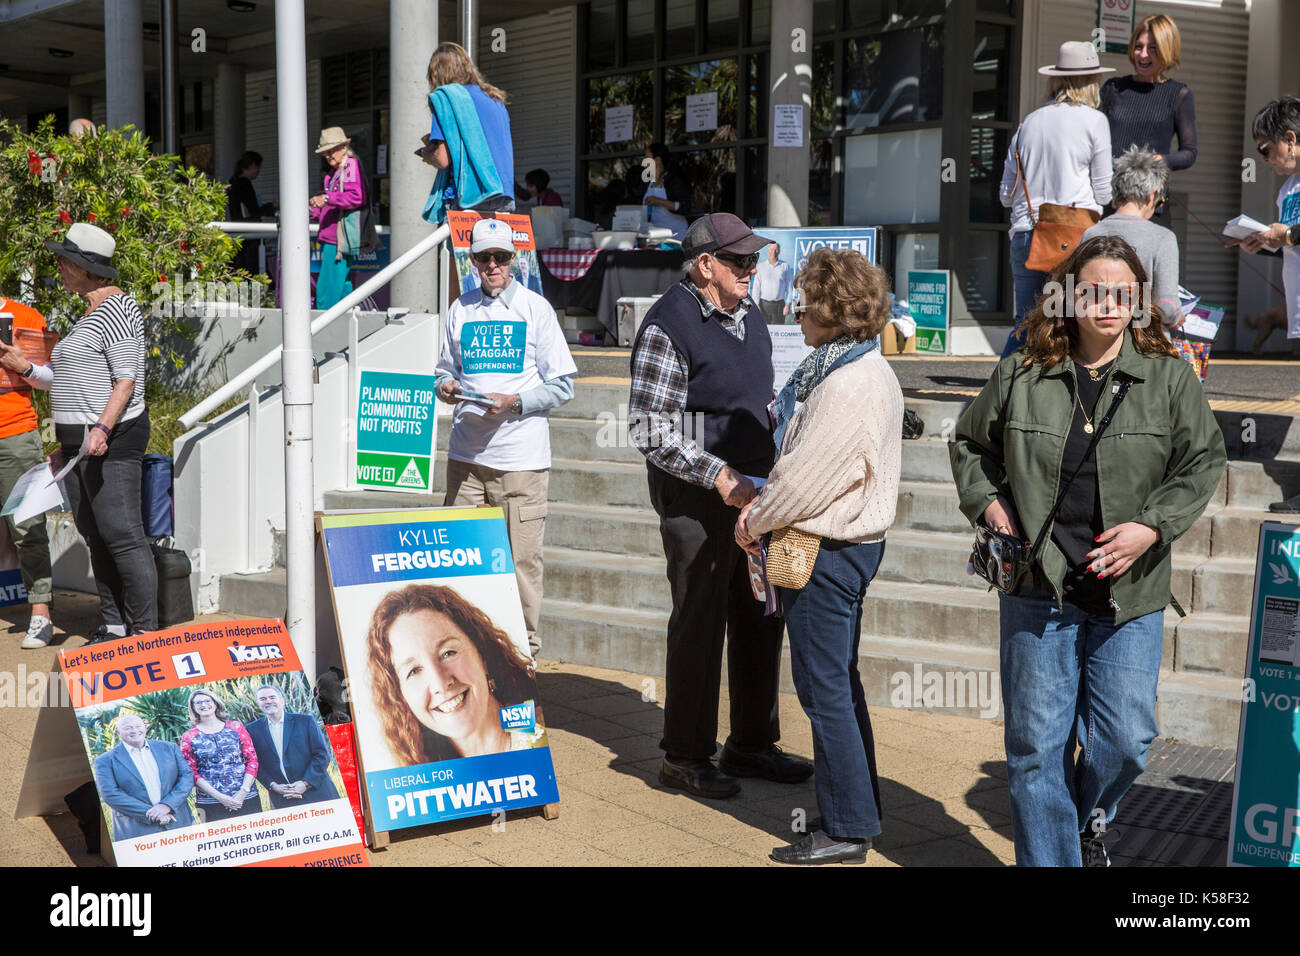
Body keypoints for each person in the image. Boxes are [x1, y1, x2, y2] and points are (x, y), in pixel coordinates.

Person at [950, 235, 1226, 866]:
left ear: (1138, 301)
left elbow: (1203, 459)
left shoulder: (1168, 377)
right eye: (1095, 290)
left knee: (1126, 741)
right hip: (1038, 587)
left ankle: (1085, 820)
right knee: (1035, 750)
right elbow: (969, 445)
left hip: (1130, 593)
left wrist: (1150, 528)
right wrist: (991, 506)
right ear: (1069, 296)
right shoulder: (1023, 371)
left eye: (1123, 293)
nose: (1109, 304)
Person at [629, 212, 812, 798]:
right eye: (738, 260)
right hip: (697, 499)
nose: (750, 269)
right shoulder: (668, 323)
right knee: (700, 624)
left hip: (756, 495)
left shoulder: (749, 313)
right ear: (705, 265)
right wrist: (719, 474)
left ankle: (751, 745)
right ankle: (683, 755)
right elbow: (650, 428)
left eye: (753, 259)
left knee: (762, 618)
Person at [734, 248, 902, 864]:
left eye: (804, 305)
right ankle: (860, 811)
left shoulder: (849, 381)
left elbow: (806, 481)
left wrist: (755, 518)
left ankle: (848, 828)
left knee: (824, 690)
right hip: (843, 547)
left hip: (830, 550)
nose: (795, 315)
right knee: (839, 685)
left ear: (835, 311)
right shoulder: (851, 367)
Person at [435, 217, 576, 657]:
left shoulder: (536, 309)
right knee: (457, 566)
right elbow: (443, 371)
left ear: (514, 259)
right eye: (483, 257)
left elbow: (564, 386)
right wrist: (445, 387)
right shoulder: (459, 309)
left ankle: (525, 661)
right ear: (472, 260)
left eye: (500, 257)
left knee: (520, 568)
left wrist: (514, 402)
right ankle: (463, 654)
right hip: (466, 460)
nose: (492, 265)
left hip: (522, 465)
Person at [41, 222, 156, 640]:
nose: (59, 266)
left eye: (65, 260)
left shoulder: (118, 308)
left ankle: (144, 633)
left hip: (113, 438)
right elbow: (74, 381)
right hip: (80, 446)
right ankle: (112, 624)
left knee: (123, 536)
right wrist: (67, 442)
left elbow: (126, 380)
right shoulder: (89, 312)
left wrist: (102, 429)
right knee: (96, 535)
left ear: (87, 268)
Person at [999, 41, 1114, 357]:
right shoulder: (1094, 121)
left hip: (1027, 233)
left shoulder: (1028, 123)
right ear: (1092, 81)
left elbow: (1005, 196)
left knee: (1026, 323)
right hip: (1075, 239)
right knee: (1073, 324)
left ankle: (1004, 395)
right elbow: (1104, 192)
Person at [365, 583, 546, 765]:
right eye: (413, 671)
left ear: (481, 653)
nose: (440, 683)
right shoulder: (421, 776)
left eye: (448, 653)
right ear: (401, 697)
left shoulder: (536, 736)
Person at [1230, 97, 1300, 511]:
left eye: (1265, 149)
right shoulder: (1288, 188)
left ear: (1290, 140)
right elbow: (1292, 246)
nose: (1264, 158)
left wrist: (1286, 236)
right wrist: (1263, 244)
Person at [0, 294, 56, 648]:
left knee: (27, 524)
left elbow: (51, 381)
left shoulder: (24, 316)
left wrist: (21, 365)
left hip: (14, 435)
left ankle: (41, 612)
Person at [1081, 147, 1181, 328]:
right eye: (1160, 201)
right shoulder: (1163, 238)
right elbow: (1167, 308)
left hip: (1098, 345)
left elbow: (1082, 299)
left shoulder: (1090, 233)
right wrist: (1176, 315)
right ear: (1151, 196)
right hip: (1146, 343)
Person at [419, 41, 515, 223]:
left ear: (435, 74)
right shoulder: (496, 99)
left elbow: (443, 158)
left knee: (461, 252)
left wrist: (427, 153)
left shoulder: (446, 98)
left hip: (469, 195)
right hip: (504, 195)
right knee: (497, 251)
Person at [1099, 14, 1197, 182]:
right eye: (1139, 46)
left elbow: (1189, 153)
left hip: (1149, 198)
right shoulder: (1113, 88)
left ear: (1166, 50)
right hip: (1110, 194)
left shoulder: (1179, 95)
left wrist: (1160, 160)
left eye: (1153, 48)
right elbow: (1092, 138)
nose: (1143, 55)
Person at [92, 713, 194, 839]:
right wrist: (152, 813)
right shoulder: (105, 760)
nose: (134, 730)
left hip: (178, 822)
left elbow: (187, 777)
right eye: (128, 728)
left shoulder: (169, 748)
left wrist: (167, 805)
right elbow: (110, 794)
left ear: (145, 727)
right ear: (118, 733)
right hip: (137, 829)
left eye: (137, 726)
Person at [245, 684, 339, 809]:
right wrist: (273, 786)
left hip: (318, 794)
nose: (268, 701)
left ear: (282, 700)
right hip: (284, 799)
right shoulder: (252, 730)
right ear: (258, 703)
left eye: (272, 697)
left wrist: (305, 783)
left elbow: (322, 755)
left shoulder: (305, 721)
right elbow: (255, 763)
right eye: (263, 699)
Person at [179, 689, 261, 820]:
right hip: (210, 803)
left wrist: (242, 792)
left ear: (215, 703)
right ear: (193, 708)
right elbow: (191, 772)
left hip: (246, 797)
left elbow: (252, 760)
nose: (204, 705)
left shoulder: (236, 727)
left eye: (207, 700)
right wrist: (221, 798)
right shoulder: (189, 736)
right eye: (198, 702)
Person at [309, 127, 366, 310]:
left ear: (343, 147)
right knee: (342, 289)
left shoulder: (349, 166)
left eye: (331, 150)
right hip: (335, 237)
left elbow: (356, 197)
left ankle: (321, 333)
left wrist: (326, 199)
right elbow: (334, 203)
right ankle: (348, 328)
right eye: (324, 152)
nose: (327, 155)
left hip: (337, 239)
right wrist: (313, 210)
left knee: (327, 292)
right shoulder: (335, 172)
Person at [227, 150, 277, 276]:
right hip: (248, 232)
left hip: (236, 230)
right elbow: (254, 210)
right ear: (253, 166)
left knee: (239, 268)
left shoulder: (232, 182)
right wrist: (272, 206)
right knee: (252, 268)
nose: (258, 172)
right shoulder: (244, 183)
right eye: (258, 168)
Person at [642, 142, 690, 240]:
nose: (643, 163)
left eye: (647, 158)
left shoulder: (673, 180)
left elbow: (685, 207)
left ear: (657, 160)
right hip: (653, 237)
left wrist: (658, 201)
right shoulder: (647, 182)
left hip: (676, 237)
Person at [753, 242, 793, 324]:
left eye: (776, 249)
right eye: (771, 249)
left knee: (778, 331)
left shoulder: (785, 266)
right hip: (764, 305)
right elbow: (756, 287)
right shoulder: (760, 266)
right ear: (768, 251)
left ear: (779, 251)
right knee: (764, 331)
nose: (773, 252)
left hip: (779, 305)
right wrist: (756, 304)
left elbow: (789, 287)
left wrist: (788, 304)